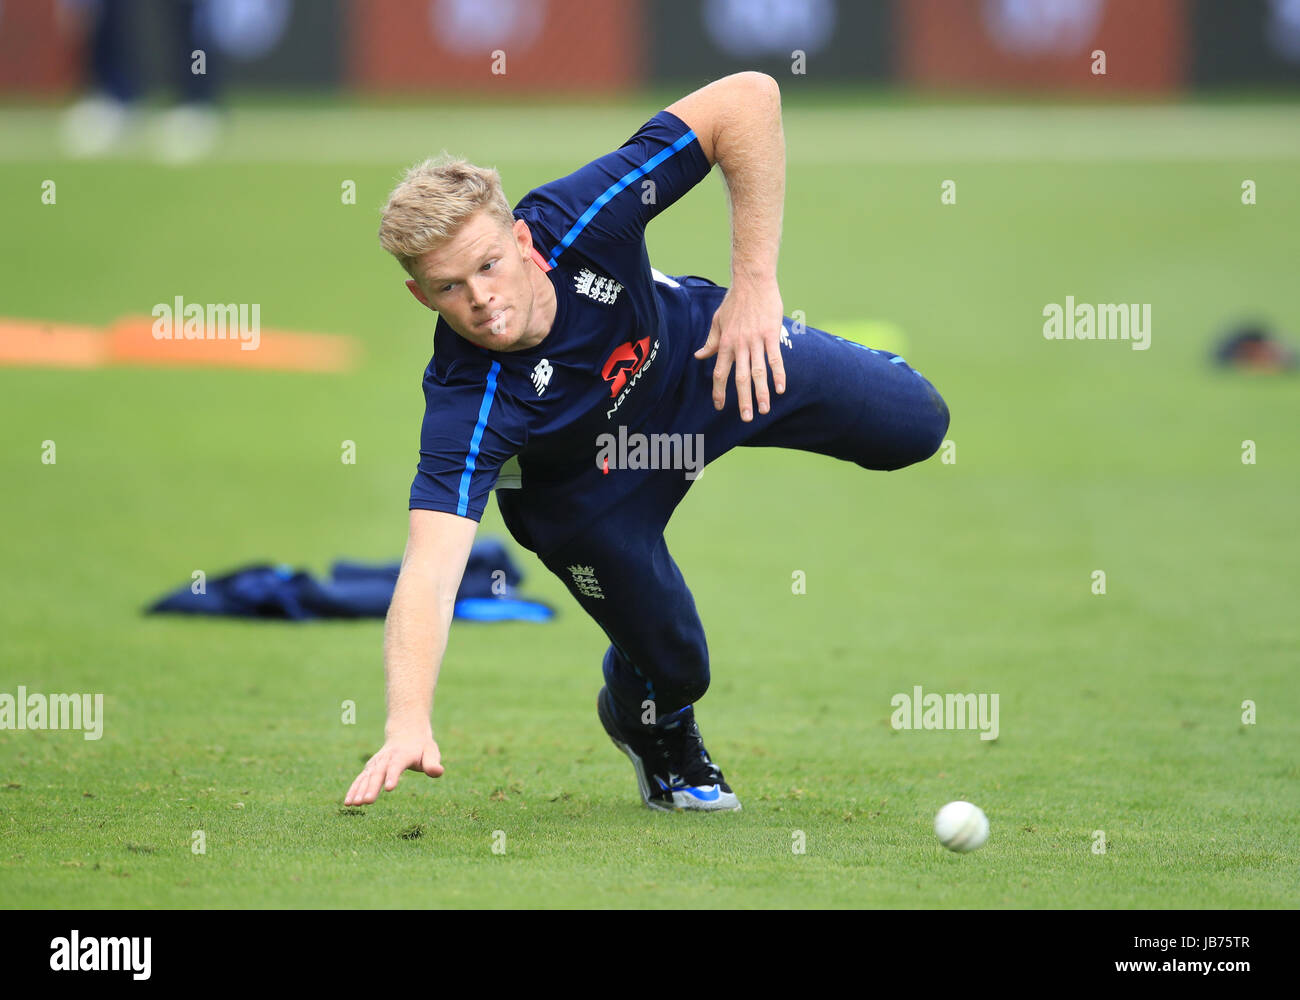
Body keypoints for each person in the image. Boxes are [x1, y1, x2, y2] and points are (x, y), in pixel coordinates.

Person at [343, 72, 949, 812]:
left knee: (917, 424)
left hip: (706, 362)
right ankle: (649, 727)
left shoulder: (582, 216)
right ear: (419, 295)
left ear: (524, 241)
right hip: (589, 497)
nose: (479, 299)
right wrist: (408, 721)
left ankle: (836, 366)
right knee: (676, 666)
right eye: (447, 287)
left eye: (489, 264)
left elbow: (748, 99)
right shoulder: (466, 402)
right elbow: (431, 571)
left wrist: (753, 285)